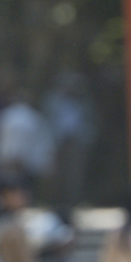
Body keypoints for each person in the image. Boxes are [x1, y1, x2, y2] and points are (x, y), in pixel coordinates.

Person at [44, 70, 96, 209]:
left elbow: (89, 123)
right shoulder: (53, 101)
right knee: (56, 175)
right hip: (57, 143)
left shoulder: (84, 102)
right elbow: (48, 122)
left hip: (76, 143)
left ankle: (74, 203)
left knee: (75, 175)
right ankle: (55, 203)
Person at [0, 91, 54, 190]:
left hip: (8, 156)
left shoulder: (6, 114)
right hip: (26, 158)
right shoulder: (35, 117)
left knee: (10, 183)